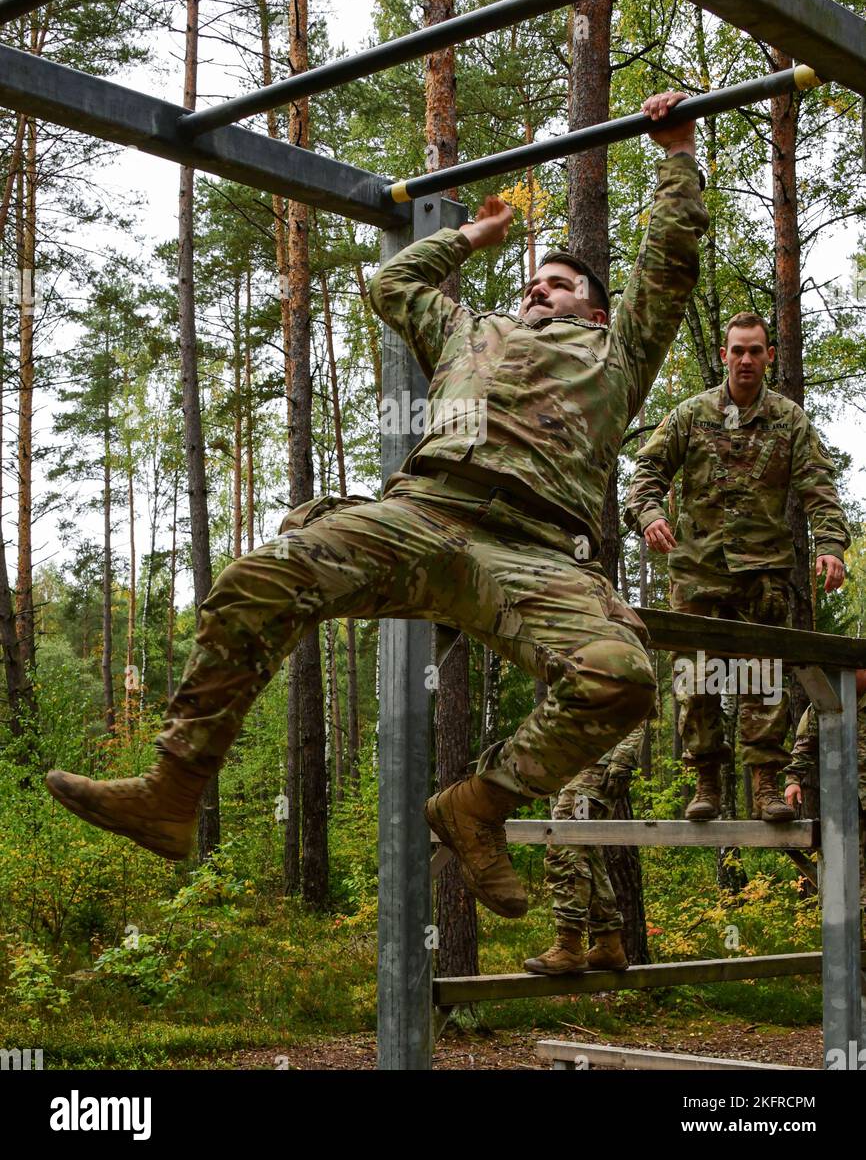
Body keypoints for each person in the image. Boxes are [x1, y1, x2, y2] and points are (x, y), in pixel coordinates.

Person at [46, 91, 708, 921]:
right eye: (535, 282)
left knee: (620, 677)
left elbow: (668, 266)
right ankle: (172, 790)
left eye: (562, 283)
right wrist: (469, 236)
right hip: (424, 512)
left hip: (535, 549)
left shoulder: (617, 353)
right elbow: (394, 282)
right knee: (260, 576)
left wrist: (677, 154)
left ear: (597, 309)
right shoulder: (471, 330)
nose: (541, 290)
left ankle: (479, 804)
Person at [624, 314, 851, 821]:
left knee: (762, 679)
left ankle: (766, 786)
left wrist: (831, 544)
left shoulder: (789, 420)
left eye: (755, 350)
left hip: (763, 573)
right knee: (696, 679)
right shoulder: (691, 413)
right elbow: (648, 469)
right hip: (696, 572)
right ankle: (706, 783)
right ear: (724, 355)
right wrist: (650, 513)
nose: (746, 360)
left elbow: (819, 486)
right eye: (737, 351)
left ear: (769, 355)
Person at [524, 722, 646, 974]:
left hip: (598, 760)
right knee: (585, 848)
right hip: (573, 759)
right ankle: (608, 943)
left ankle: (569, 945)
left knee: (565, 838)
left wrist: (623, 757)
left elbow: (637, 697)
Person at [784, 670, 866, 910]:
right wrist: (792, 780)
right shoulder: (827, 703)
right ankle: (853, 938)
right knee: (846, 873)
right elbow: (804, 746)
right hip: (843, 803)